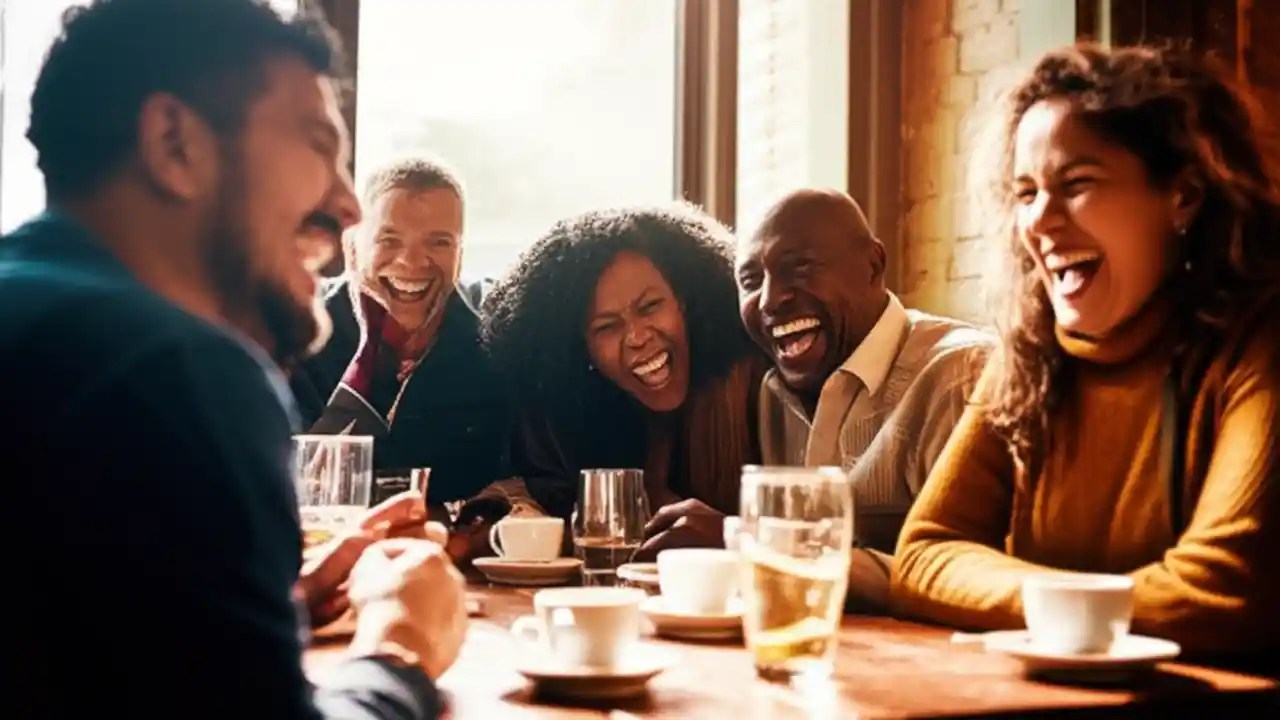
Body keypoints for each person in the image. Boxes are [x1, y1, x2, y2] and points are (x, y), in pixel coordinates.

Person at [2, 1, 465, 717]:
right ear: (174, 142)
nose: (347, 207)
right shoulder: (175, 369)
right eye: (318, 144)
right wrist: (400, 646)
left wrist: (262, 602)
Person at [891, 44, 1280, 664]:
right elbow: (924, 554)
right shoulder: (1032, 354)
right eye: (1025, 194)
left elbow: (1218, 593)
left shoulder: (1258, 341)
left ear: (1182, 196)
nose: (1039, 224)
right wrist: (1081, 608)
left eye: (1077, 185)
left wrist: (1019, 597)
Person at [646, 189, 991, 608]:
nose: (771, 299)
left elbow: (972, 576)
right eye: (751, 282)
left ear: (873, 265)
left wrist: (747, 544)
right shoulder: (774, 396)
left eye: (801, 268)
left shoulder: (960, 377)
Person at [481, 204, 768, 545]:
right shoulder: (590, 414)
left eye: (650, 307)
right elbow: (539, 491)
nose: (637, 337)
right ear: (580, 350)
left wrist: (730, 535)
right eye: (607, 327)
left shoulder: (754, 384)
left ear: (685, 302)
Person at [288, 157, 520, 516]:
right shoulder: (294, 336)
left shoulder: (498, 346)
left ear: (461, 253)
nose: (413, 262)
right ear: (351, 248)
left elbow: (521, 484)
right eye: (389, 240)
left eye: (439, 242)